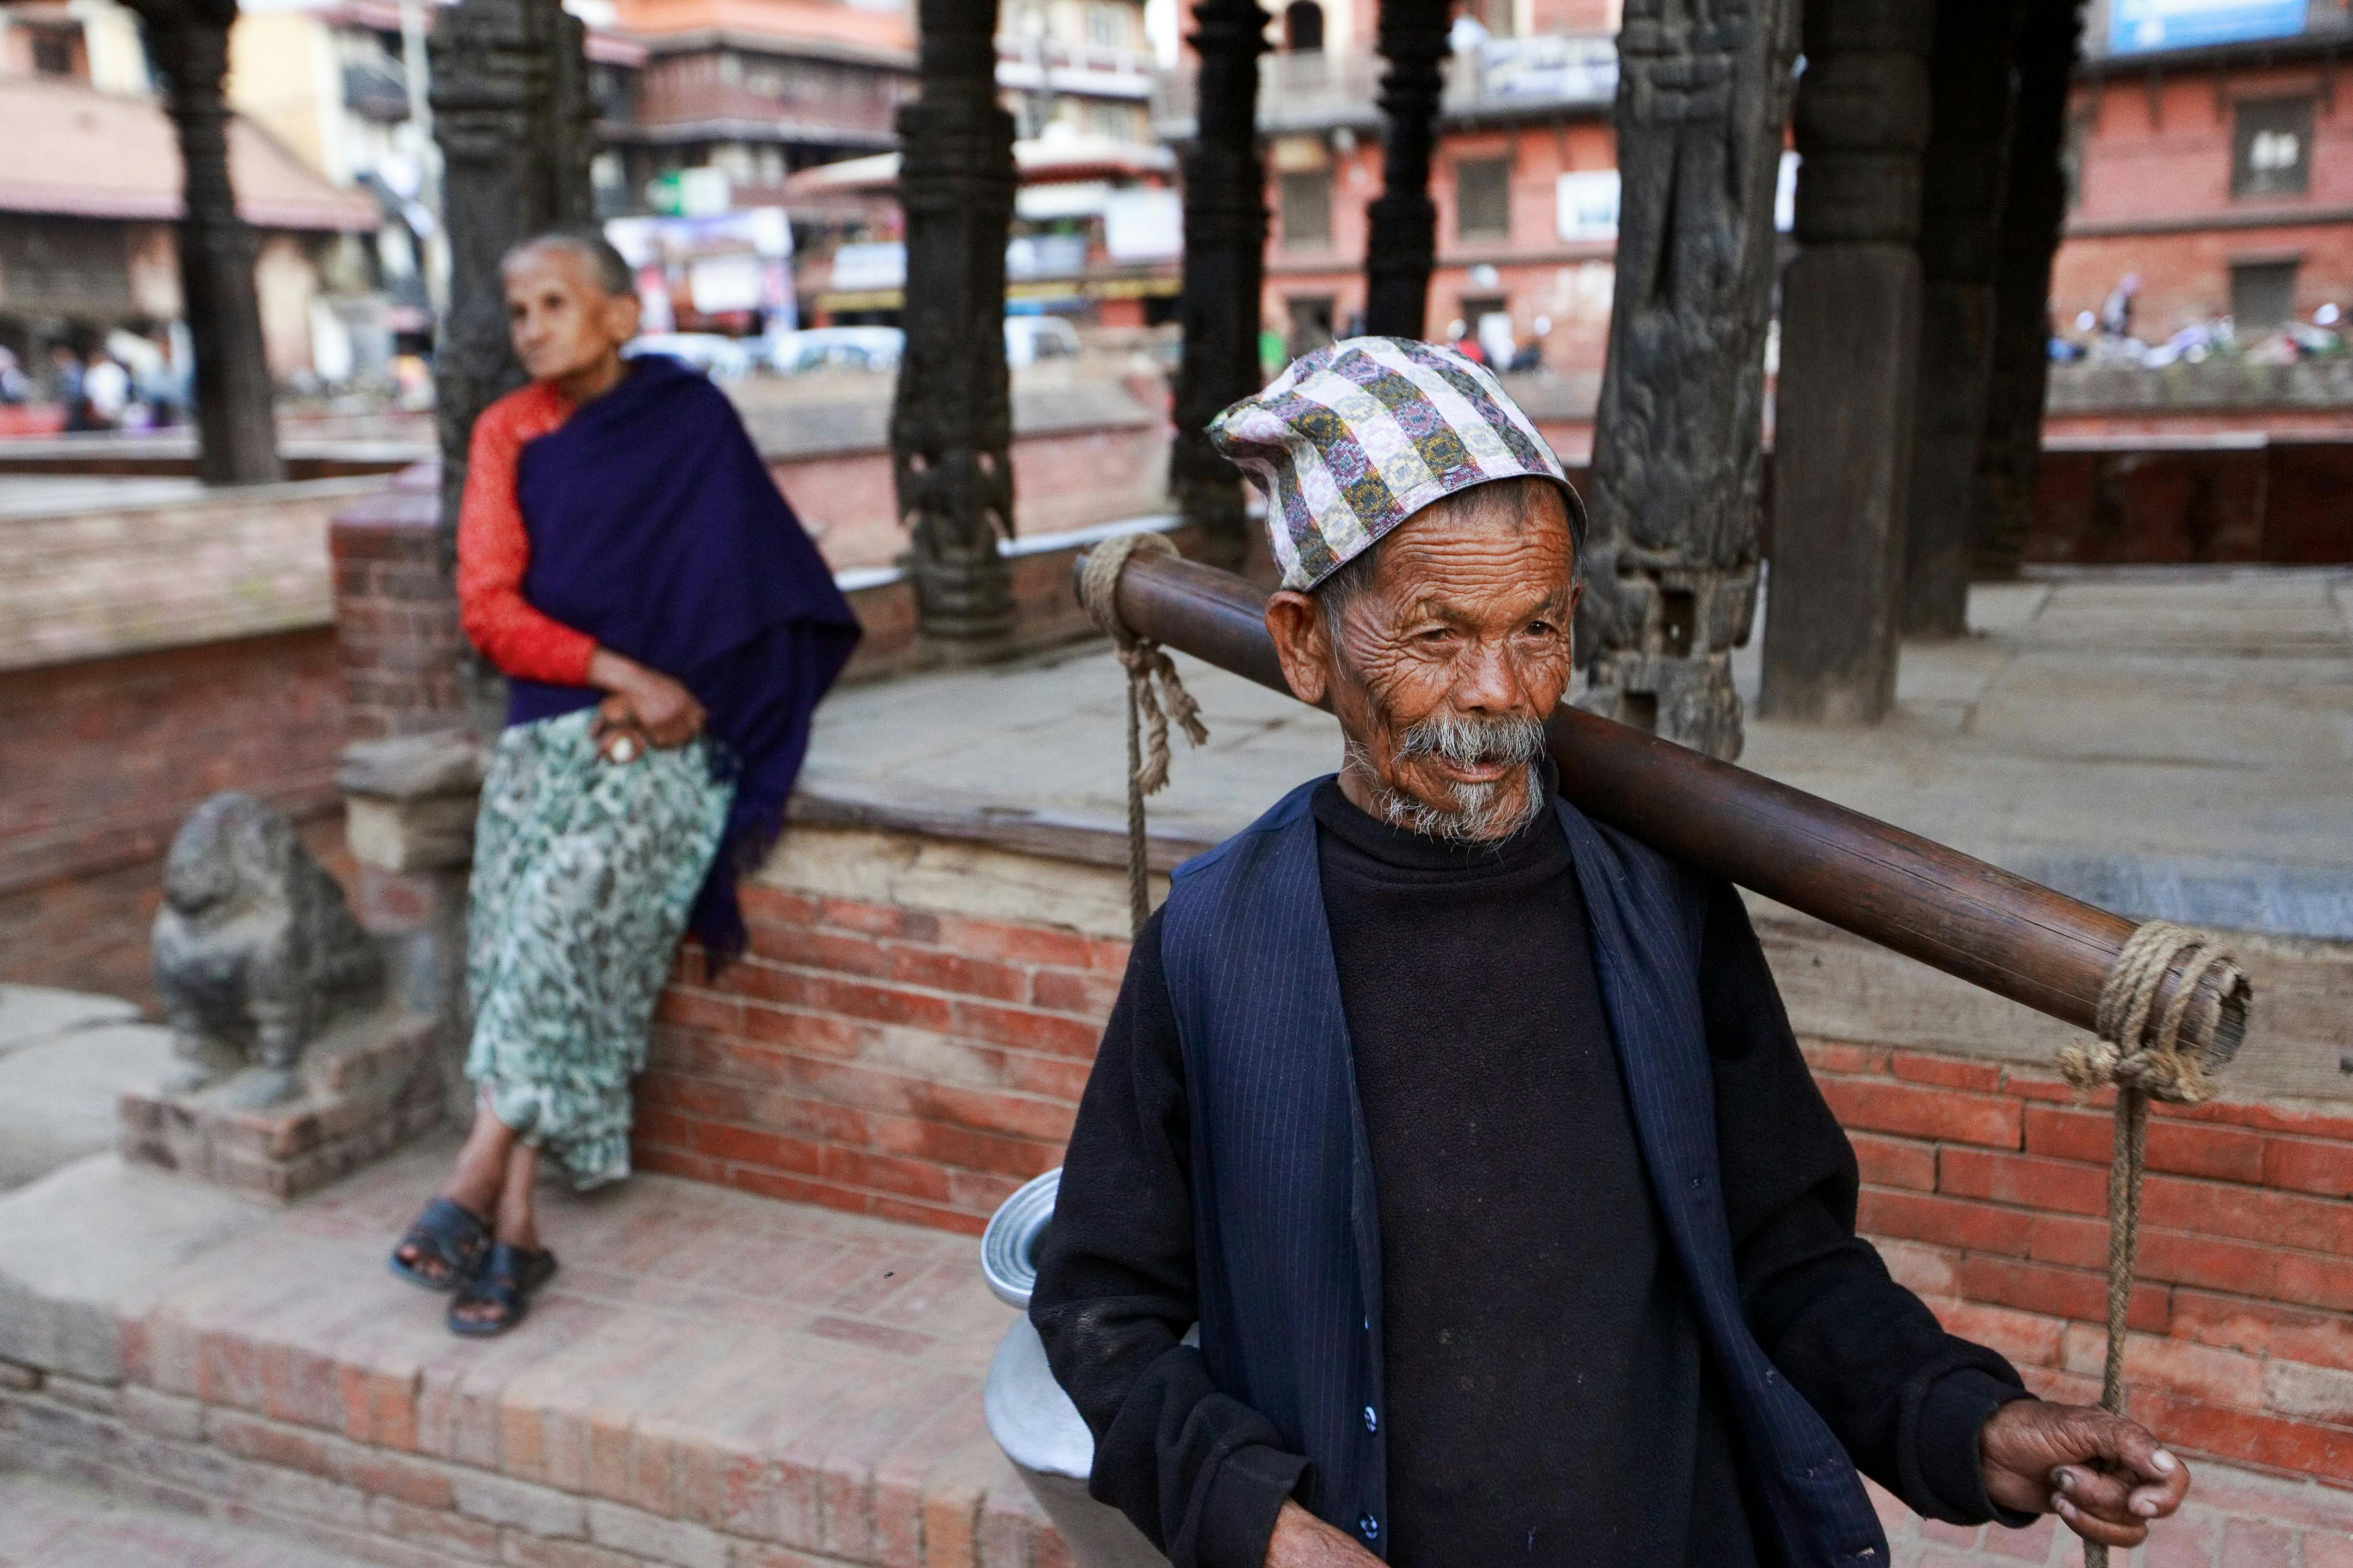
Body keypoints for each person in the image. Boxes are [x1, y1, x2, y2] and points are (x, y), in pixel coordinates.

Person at [1030, 337, 2193, 1568]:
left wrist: (1973, 1421)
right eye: (1435, 637)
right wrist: (1263, 1526)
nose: (1498, 690)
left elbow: (1785, 1257)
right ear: (1306, 644)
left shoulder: (1659, 902)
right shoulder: (1217, 943)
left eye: (1537, 629)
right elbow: (1102, 1309)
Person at [387, 229, 860, 1335]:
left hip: (677, 737)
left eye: (555, 304)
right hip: (555, 729)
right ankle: (514, 1234)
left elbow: (751, 590)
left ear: (617, 315)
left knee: (562, 915)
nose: (531, 328)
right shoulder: (507, 432)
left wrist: (663, 695)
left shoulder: (688, 420)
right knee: (518, 948)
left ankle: (478, 1176)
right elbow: (489, 609)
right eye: (518, 311)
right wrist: (616, 674)